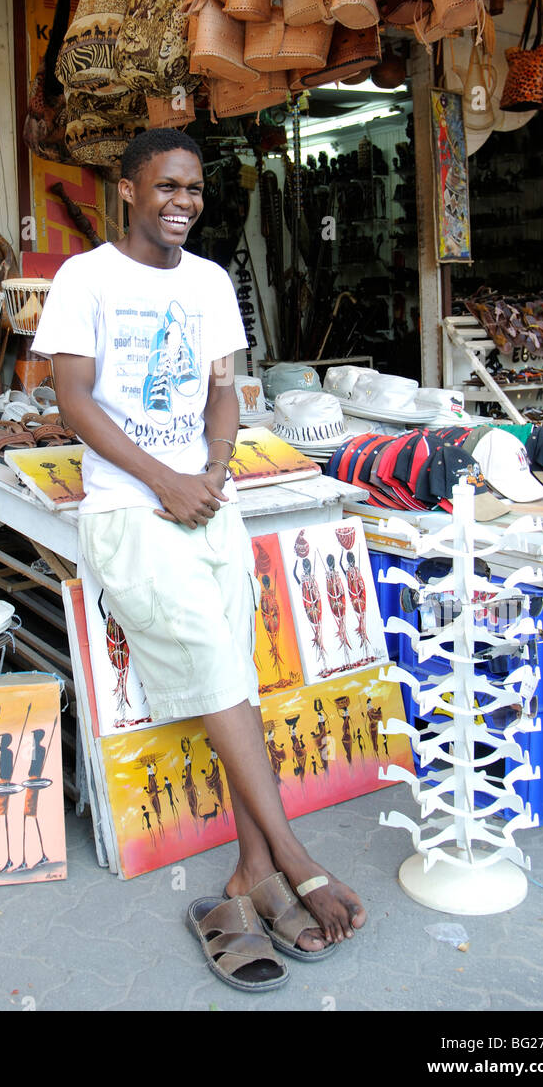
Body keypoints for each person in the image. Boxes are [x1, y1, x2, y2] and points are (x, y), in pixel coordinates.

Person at [33, 129, 365, 986]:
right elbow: (72, 398)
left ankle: (248, 875)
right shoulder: (87, 278)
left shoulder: (211, 281)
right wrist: (162, 482)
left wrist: (211, 472)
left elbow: (224, 389)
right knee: (218, 670)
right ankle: (292, 860)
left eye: (193, 190)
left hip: (207, 503)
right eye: (166, 187)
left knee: (235, 681)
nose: (182, 202)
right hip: (128, 510)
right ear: (127, 192)